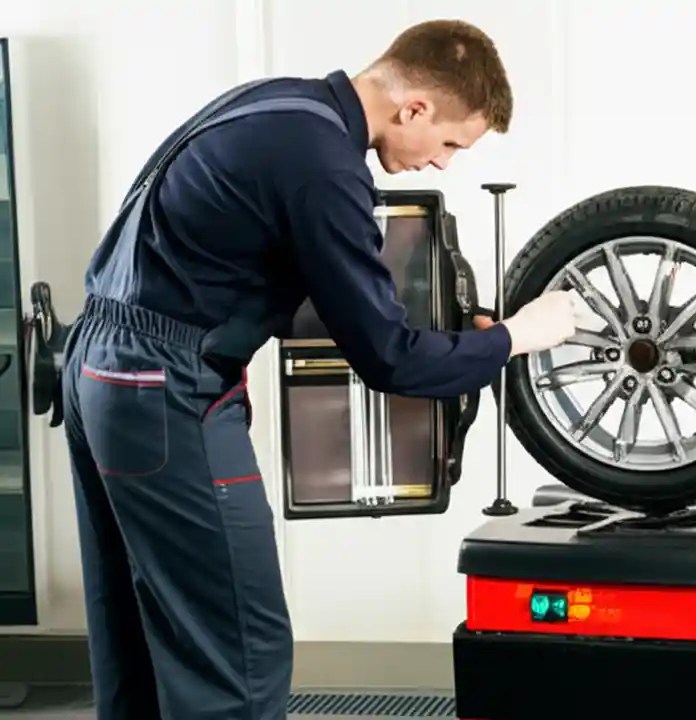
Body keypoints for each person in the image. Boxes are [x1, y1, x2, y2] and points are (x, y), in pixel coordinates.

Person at [60, 19, 575, 720]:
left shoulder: (279, 106)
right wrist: (515, 338)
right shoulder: (327, 167)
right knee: (238, 650)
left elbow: (277, 277)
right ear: (414, 107)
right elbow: (386, 358)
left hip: (103, 369)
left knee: (140, 635)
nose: (444, 164)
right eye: (451, 143)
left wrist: (454, 333)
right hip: (164, 392)